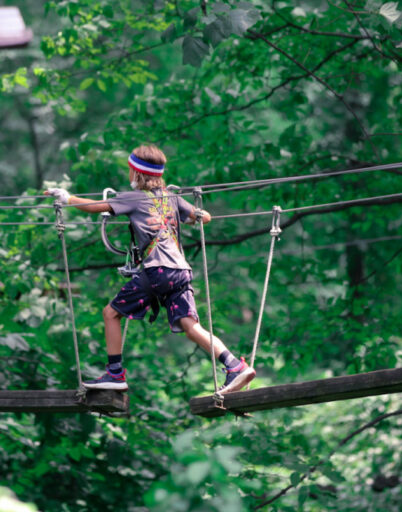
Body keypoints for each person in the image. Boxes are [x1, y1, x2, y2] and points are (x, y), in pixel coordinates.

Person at [45, 145, 255, 394]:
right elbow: (205, 217)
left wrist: (66, 198)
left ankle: (115, 374)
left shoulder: (132, 197)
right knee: (191, 326)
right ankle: (234, 365)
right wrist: (185, 215)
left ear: (135, 172)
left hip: (159, 270)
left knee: (111, 314)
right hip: (181, 271)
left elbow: (94, 206)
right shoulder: (171, 197)